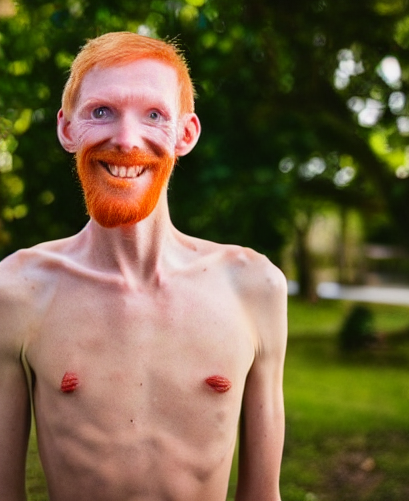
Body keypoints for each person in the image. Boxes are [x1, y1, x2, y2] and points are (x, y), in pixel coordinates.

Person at [0, 31, 287, 501]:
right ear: (67, 129)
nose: (127, 140)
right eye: (100, 112)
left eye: (154, 115)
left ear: (185, 134)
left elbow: (263, 495)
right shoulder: (16, 292)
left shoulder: (254, 288)